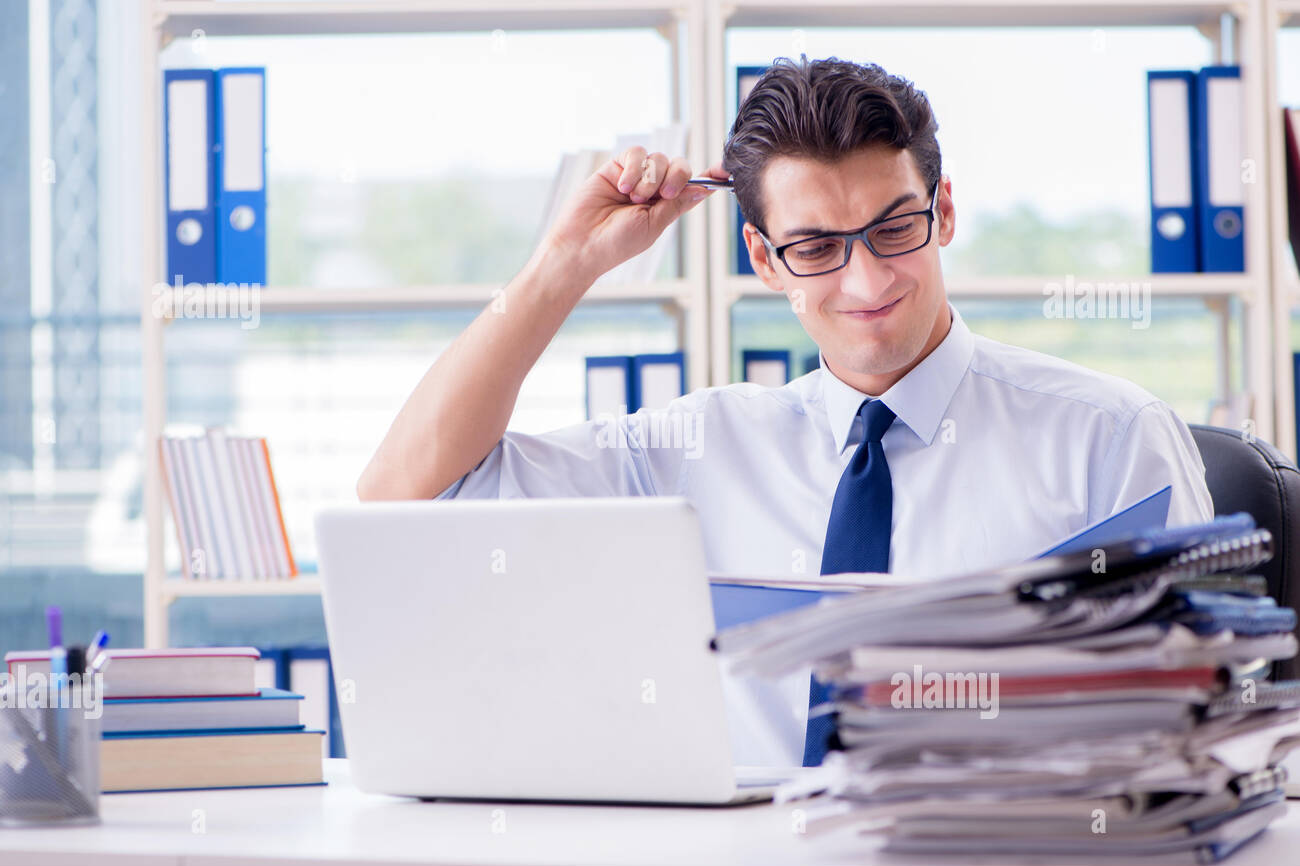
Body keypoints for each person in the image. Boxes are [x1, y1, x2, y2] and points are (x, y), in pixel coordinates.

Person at [357, 56, 1215, 767]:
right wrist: (565, 262)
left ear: (944, 211)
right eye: (815, 248)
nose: (868, 281)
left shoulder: (1110, 438)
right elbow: (408, 495)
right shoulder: (691, 448)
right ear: (765, 260)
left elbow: (1207, 719)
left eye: (894, 230)